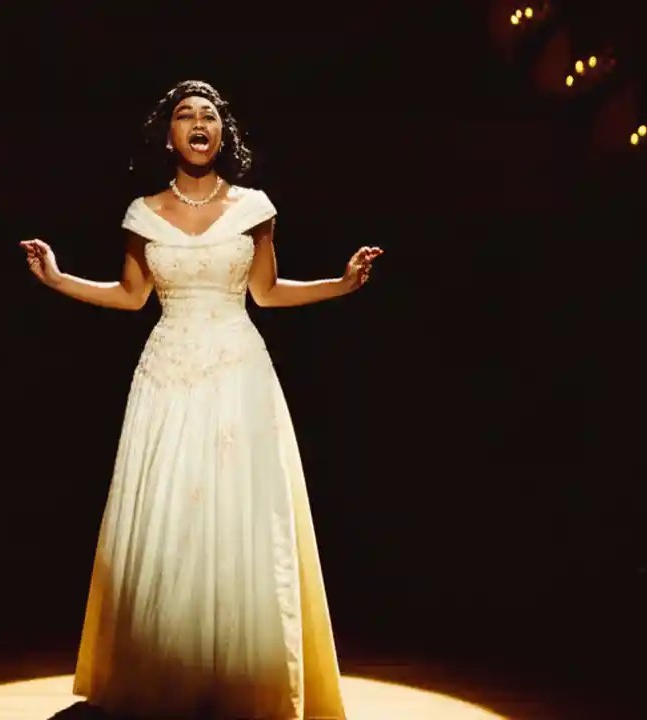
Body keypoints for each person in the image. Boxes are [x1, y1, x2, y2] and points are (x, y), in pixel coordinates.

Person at [19, 79, 382, 720]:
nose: (196, 122)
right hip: (167, 374)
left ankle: (248, 677)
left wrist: (343, 284)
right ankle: (162, 671)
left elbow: (267, 293)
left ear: (221, 133)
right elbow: (130, 296)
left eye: (207, 115)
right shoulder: (142, 212)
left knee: (241, 514)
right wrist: (57, 278)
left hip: (238, 372)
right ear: (169, 136)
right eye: (184, 114)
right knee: (168, 518)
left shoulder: (254, 207)